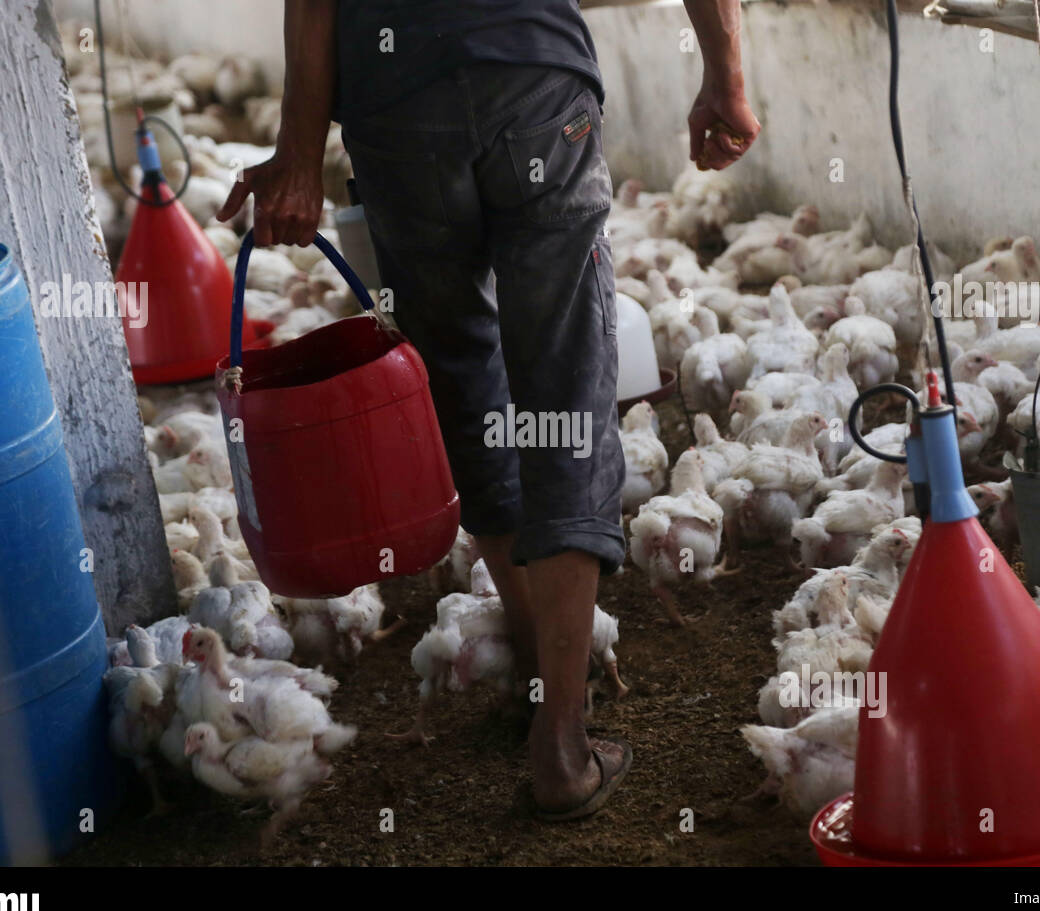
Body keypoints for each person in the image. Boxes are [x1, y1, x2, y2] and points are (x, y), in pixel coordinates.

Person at [219, 0, 757, 820]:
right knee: (567, 383)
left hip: (399, 110)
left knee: (461, 382)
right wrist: (726, 76)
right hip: (532, 83)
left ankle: (539, 670)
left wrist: (297, 153)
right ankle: (564, 741)